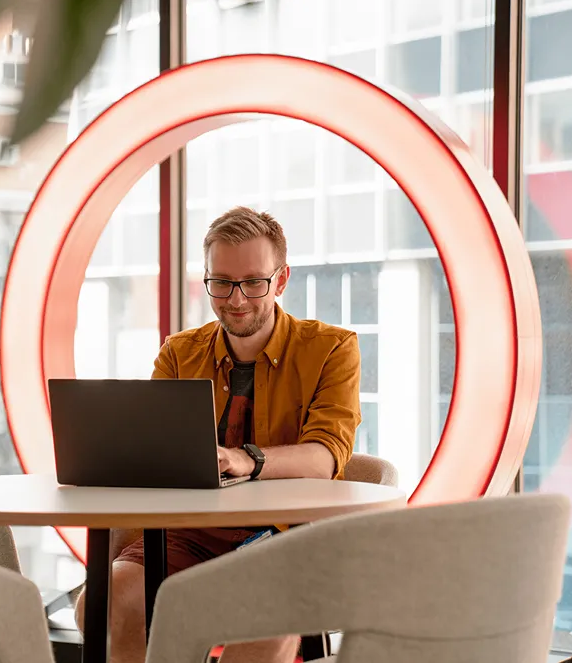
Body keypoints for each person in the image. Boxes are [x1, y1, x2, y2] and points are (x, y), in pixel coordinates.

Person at [74, 206, 362, 663]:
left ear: (281, 280)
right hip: (188, 535)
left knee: (267, 618)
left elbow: (326, 458)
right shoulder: (179, 352)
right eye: (222, 282)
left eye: (253, 282)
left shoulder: (331, 349)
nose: (236, 299)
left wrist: (247, 459)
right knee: (106, 603)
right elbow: (152, 449)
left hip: (283, 538)